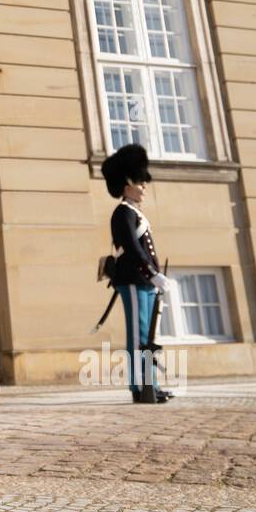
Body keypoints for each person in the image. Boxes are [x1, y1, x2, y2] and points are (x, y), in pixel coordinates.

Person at [101, 144, 174, 405]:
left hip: (142, 280)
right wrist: (152, 273)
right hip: (132, 279)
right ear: (128, 182)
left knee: (147, 336)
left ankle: (150, 384)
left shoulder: (134, 213)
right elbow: (132, 248)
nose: (144, 187)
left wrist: (152, 276)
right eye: (140, 182)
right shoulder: (122, 213)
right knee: (138, 335)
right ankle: (139, 387)